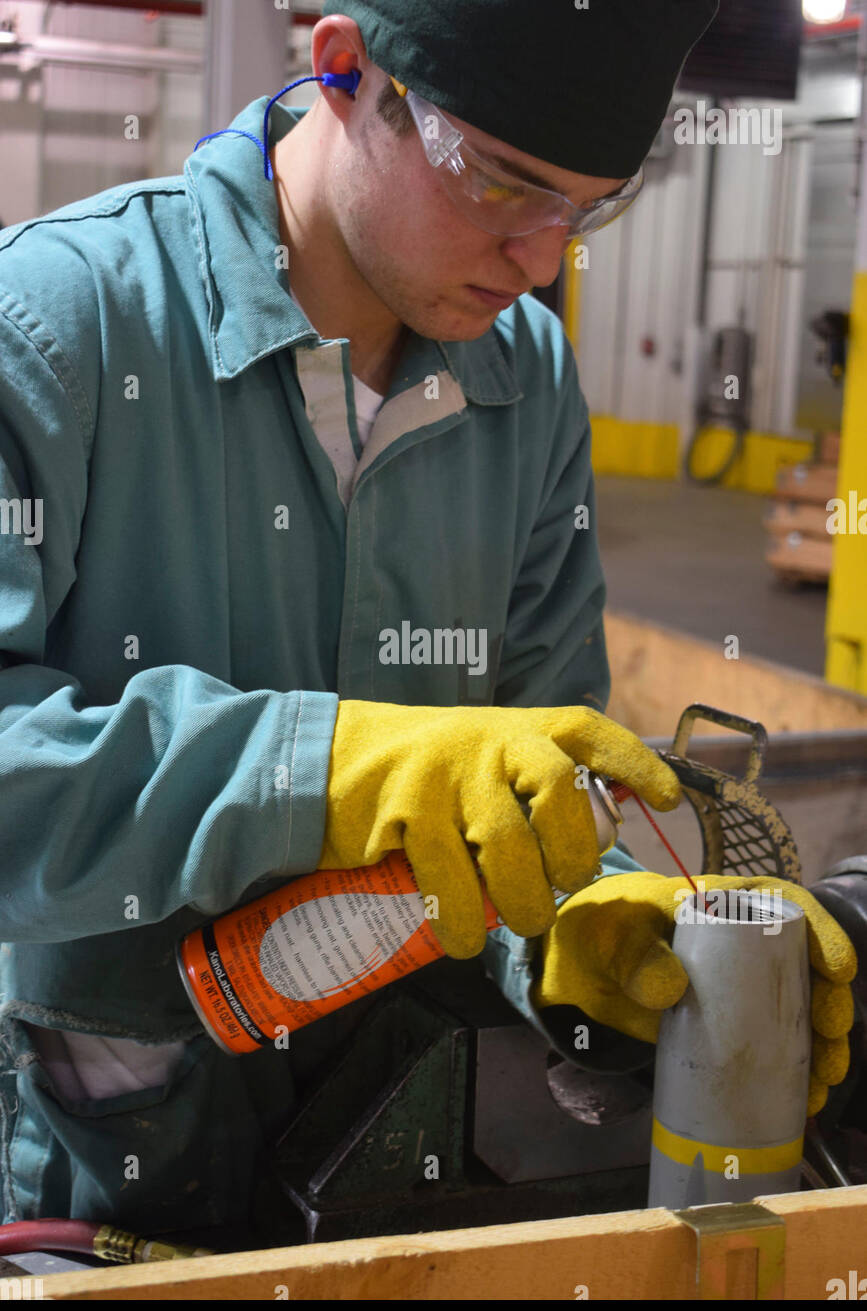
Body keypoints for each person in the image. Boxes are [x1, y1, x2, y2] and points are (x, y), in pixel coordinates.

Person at [0, 0, 854, 1244]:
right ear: (344, 68)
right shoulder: (58, 328)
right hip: (112, 1156)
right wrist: (325, 770)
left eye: (588, 207)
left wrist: (579, 917)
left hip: (402, 1155)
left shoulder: (528, 382)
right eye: (503, 184)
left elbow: (542, 753)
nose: (541, 261)